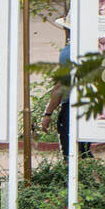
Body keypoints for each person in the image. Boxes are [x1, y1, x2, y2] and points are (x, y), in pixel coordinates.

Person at [41, 18, 92, 160]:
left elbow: (60, 86)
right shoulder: (93, 48)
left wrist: (48, 114)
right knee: (84, 150)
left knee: (70, 153)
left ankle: (75, 180)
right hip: (91, 106)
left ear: (69, 31)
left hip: (71, 107)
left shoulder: (68, 53)